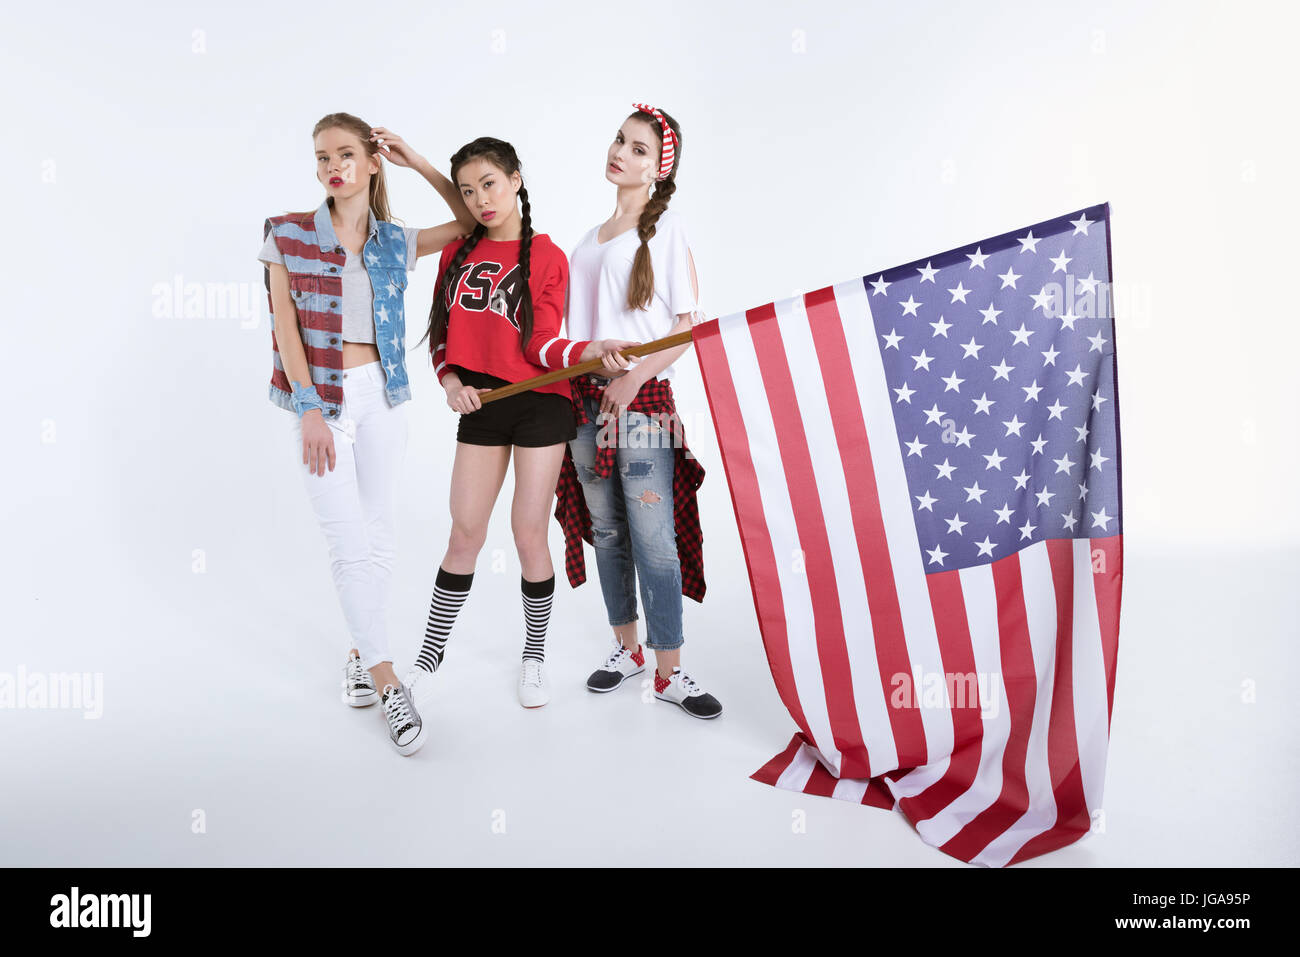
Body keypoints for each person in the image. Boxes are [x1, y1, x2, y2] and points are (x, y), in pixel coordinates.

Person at [259, 112, 476, 754]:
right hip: (321, 400)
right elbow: (285, 326)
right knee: (347, 541)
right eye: (322, 155)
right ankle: (387, 681)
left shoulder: (392, 241)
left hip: (383, 397)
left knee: (379, 535)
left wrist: (420, 162)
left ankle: (360, 651)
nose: (334, 165)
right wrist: (307, 409)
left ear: (371, 163)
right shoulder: (287, 235)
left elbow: (470, 222)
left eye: (347, 153)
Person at [405, 136, 636, 709]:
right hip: (482, 403)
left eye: (489, 184)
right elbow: (441, 336)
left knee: (528, 531)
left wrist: (592, 350)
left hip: (541, 399)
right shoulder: (457, 251)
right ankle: (429, 656)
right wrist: (452, 384)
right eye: (467, 190)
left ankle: (534, 657)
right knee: (464, 533)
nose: (481, 199)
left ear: (515, 180)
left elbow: (543, 345)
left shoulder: (549, 255)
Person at [555, 103, 722, 719]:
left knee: (654, 538)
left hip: (643, 402)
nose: (621, 152)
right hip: (584, 403)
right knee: (607, 531)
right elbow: (576, 335)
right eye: (620, 140)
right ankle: (625, 649)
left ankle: (669, 670)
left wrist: (634, 381)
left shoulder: (666, 230)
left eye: (639, 149)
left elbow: (686, 328)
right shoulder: (582, 243)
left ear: (657, 171)